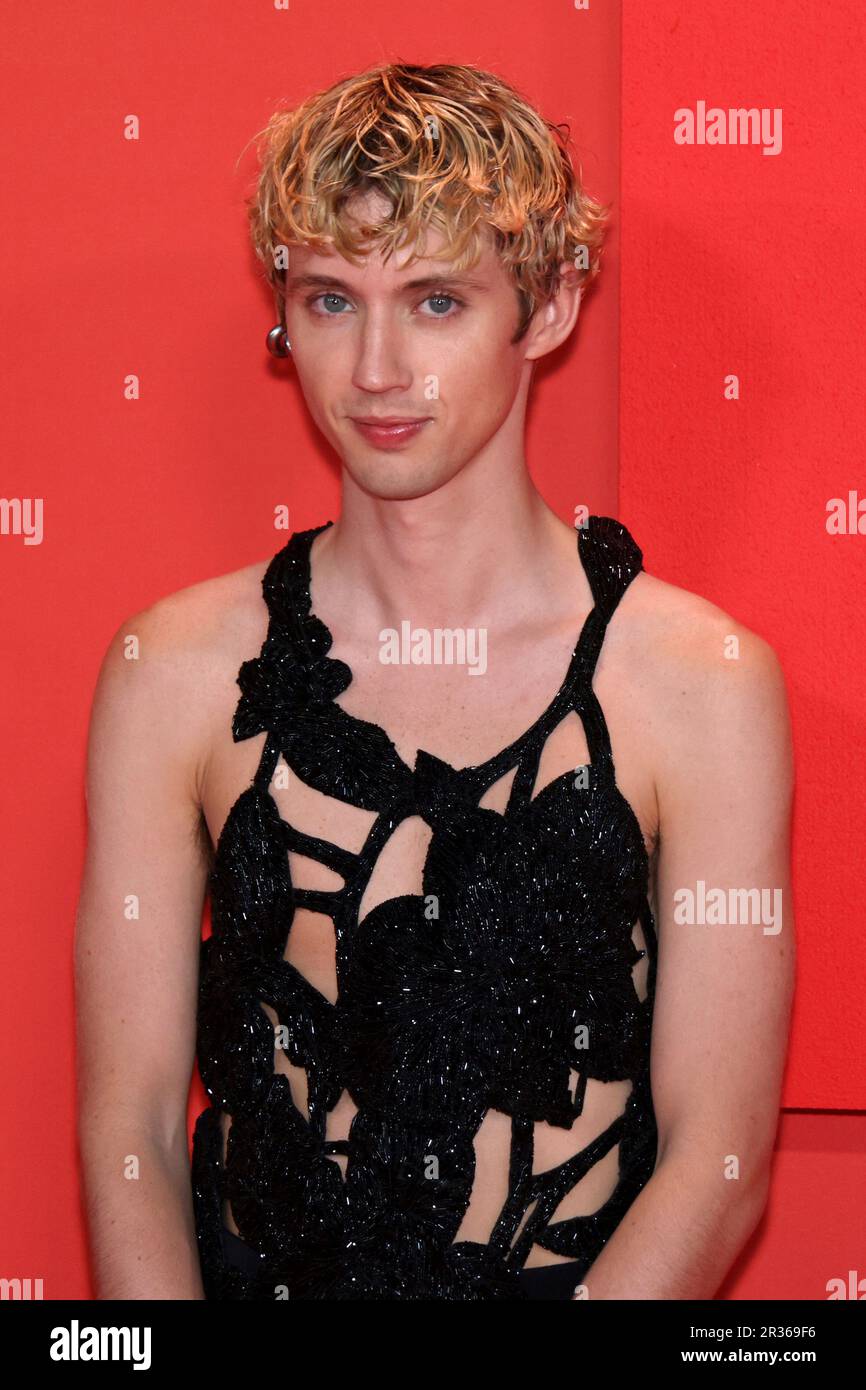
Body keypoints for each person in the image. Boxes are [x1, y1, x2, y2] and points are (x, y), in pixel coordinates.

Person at [75, 62, 795, 1301]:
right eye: (330, 302)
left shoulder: (700, 687)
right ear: (283, 318)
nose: (375, 370)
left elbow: (715, 1165)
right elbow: (128, 1123)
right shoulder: (172, 672)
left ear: (550, 306)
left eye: (437, 301)